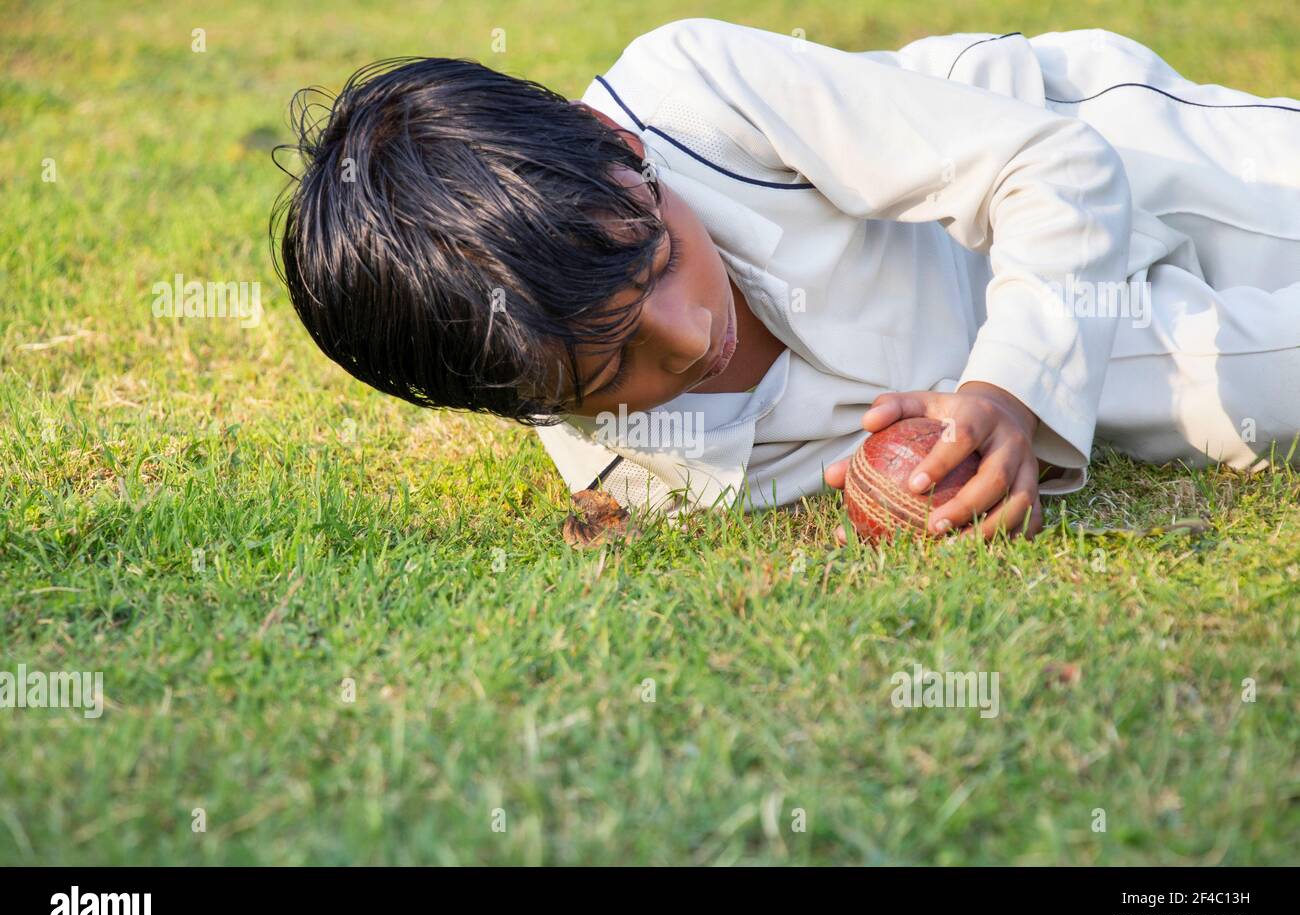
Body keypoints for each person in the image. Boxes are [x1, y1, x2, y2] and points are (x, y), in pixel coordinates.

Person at [277, 19, 1300, 540]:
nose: (685, 340)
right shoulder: (631, 470)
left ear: (612, 141)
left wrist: (1011, 388)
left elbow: (1054, 169)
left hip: (1096, 158)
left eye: (659, 258)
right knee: (1257, 396)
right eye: (609, 369)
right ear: (524, 405)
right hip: (1074, 368)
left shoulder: (689, 88)